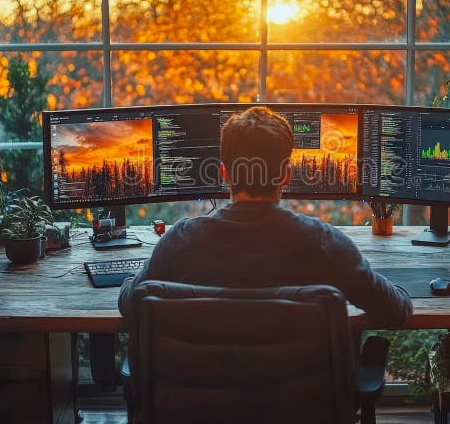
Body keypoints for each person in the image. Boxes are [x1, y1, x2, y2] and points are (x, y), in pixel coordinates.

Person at [119, 106, 412, 326]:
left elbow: (131, 303)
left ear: (223, 173)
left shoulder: (182, 240)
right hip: (302, 405)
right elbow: (396, 311)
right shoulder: (323, 242)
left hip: (201, 404)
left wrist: (137, 271)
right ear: (285, 176)